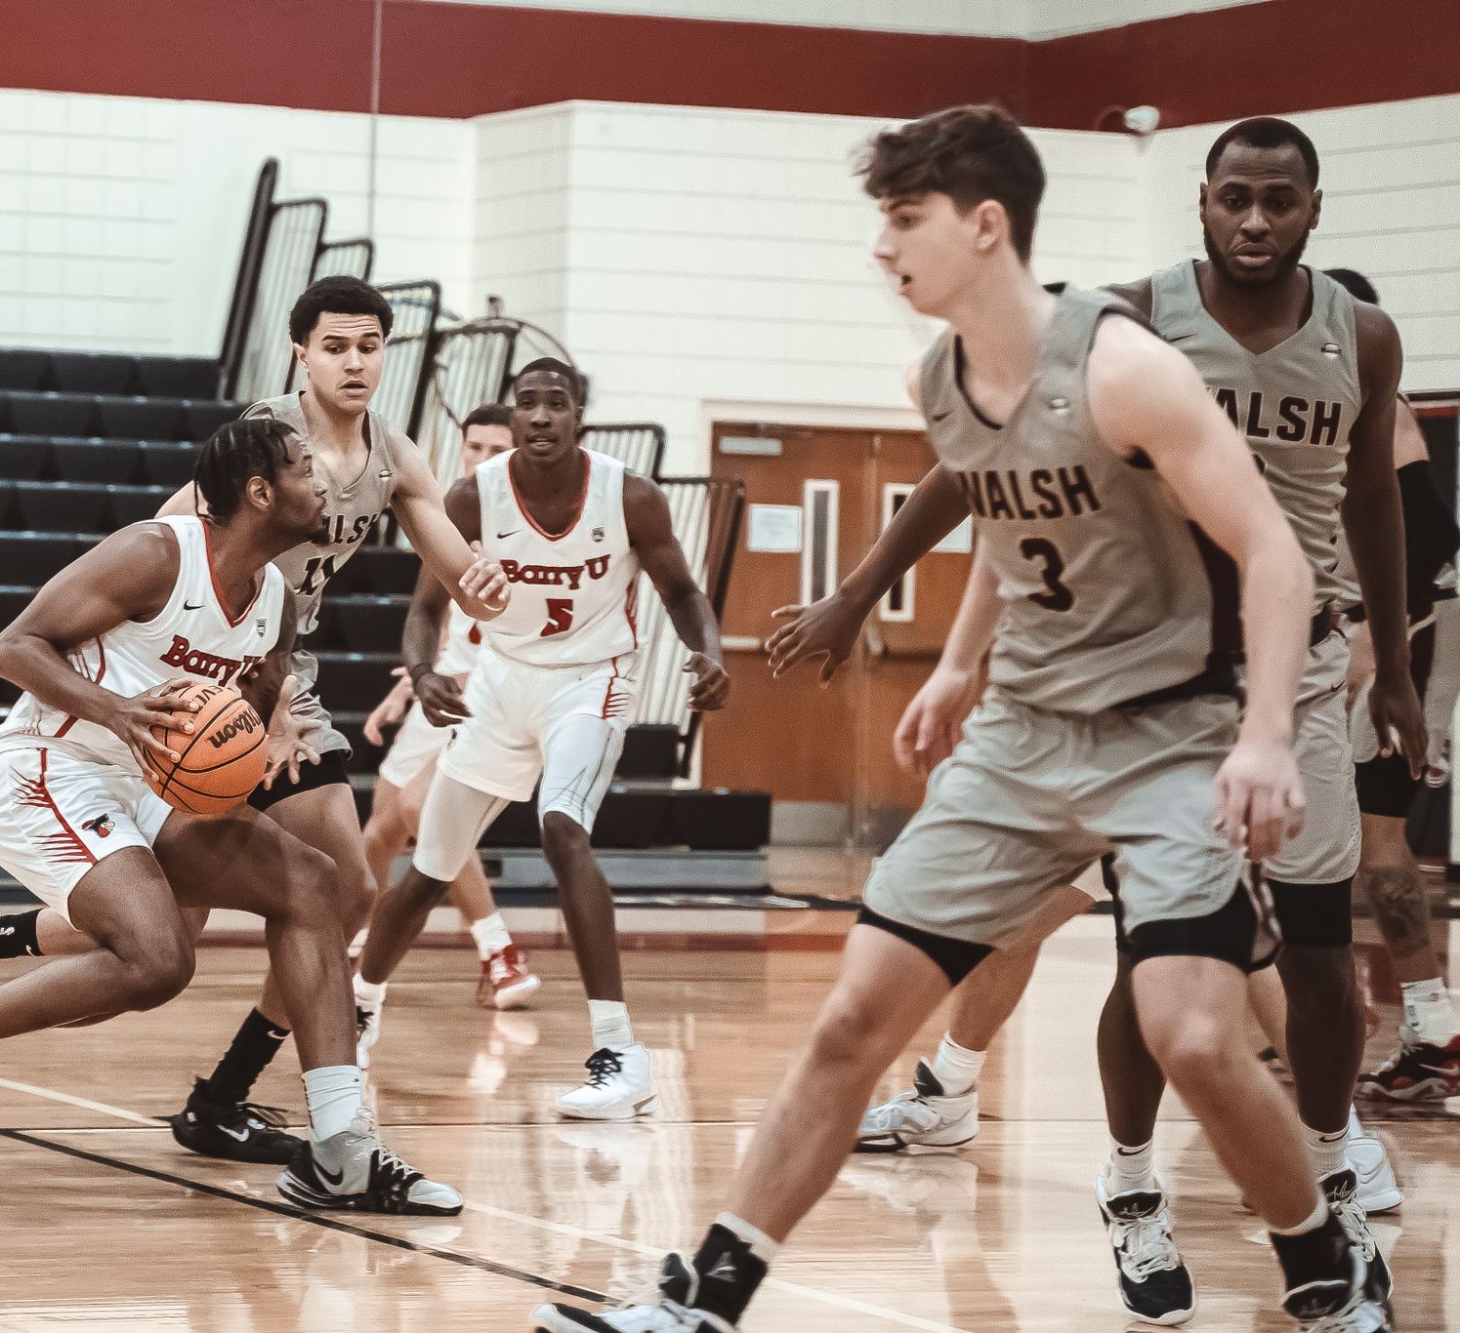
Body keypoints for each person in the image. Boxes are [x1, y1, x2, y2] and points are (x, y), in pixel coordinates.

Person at [535, 104, 1387, 1333]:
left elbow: (1273, 555)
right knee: (850, 1022)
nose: (881, 248)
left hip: (1164, 735)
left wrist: (1260, 734)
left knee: (1192, 1035)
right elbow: (1005, 519)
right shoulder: (936, 373)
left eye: (902, 219)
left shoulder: (1123, 363)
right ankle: (701, 1299)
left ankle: (1324, 1273)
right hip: (1022, 738)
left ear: (984, 227)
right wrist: (957, 666)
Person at [776, 116, 1416, 1310]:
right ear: (1202, 204)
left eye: (1280, 201)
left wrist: (1392, 670)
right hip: (1145, 686)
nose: (1255, 221)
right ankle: (1127, 1185)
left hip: (1295, 671)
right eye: (1234, 197)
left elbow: (1369, 490)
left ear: (1315, 210)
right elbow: (979, 465)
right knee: (1151, 950)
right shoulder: (1127, 319)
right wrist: (864, 592)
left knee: (1322, 961)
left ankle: (1331, 1186)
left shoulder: (1361, 337)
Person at [0, 276, 511, 1167]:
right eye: (337, 345)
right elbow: (48, 628)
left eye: (370, 346)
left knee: (323, 891)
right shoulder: (218, 491)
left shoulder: (352, 504)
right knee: (163, 947)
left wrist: (471, 583)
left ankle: (316, 1131)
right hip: (98, 740)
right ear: (301, 354)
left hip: (234, 706)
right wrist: (133, 702)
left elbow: (415, 540)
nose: (355, 361)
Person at [356, 356, 731, 1119]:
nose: (538, 415)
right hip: (501, 682)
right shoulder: (472, 496)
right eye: (526, 402)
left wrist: (708, 652)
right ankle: (357, 1010)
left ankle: (621, 1054)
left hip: (592, 682)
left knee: (562, 828)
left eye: (554, 403)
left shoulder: (630, 494)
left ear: (578, 417)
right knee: (429, 866)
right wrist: (423, 671)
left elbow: (684, 592)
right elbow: (427, 605)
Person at [1323, 268, 1460, 1103]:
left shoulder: (1381, 403)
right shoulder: (1326, 399)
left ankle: (1425, 1028)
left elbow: (1436, 530)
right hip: (1383, 627)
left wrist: (1382, 643)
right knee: (1353, 842)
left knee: (1373, 843)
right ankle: (1395, 1021)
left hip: (1408, 628)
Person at [358, 402, 542, 1010]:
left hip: (491, 697)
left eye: (497, 449)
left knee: (422, 812)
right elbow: (441, 618)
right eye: (475, 447)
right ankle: (356, 943)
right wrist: (410, 683)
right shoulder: (454, 513)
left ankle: (500, 953)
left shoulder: (532, 525)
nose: (483, 459)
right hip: (441, 688)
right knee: (380, 830)